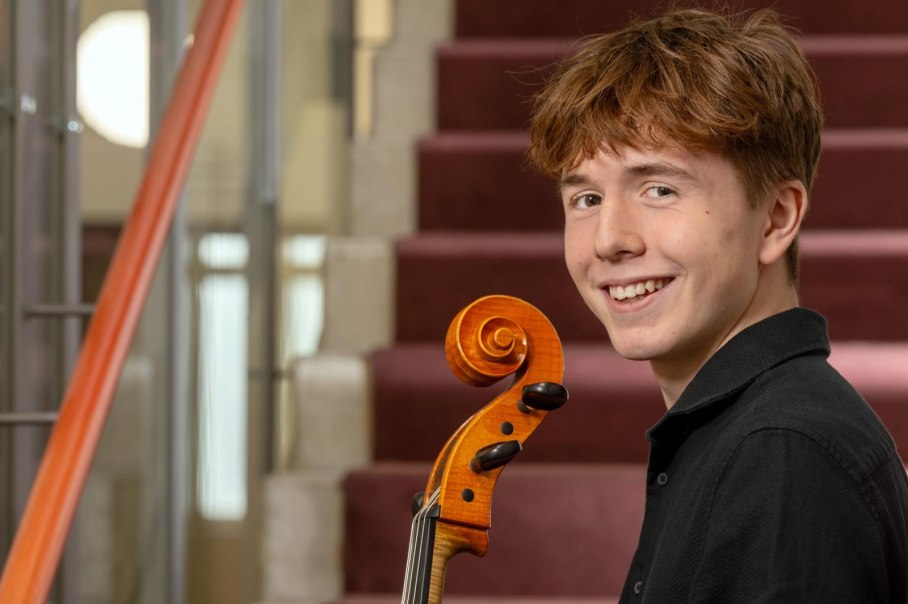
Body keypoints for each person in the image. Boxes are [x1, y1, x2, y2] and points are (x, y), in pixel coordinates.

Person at [527, 8, 908, 603]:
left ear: (776, 218)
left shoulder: (783, 455)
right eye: (587, 198)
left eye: (660, 189)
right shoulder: (742, 436)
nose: (608, 240)